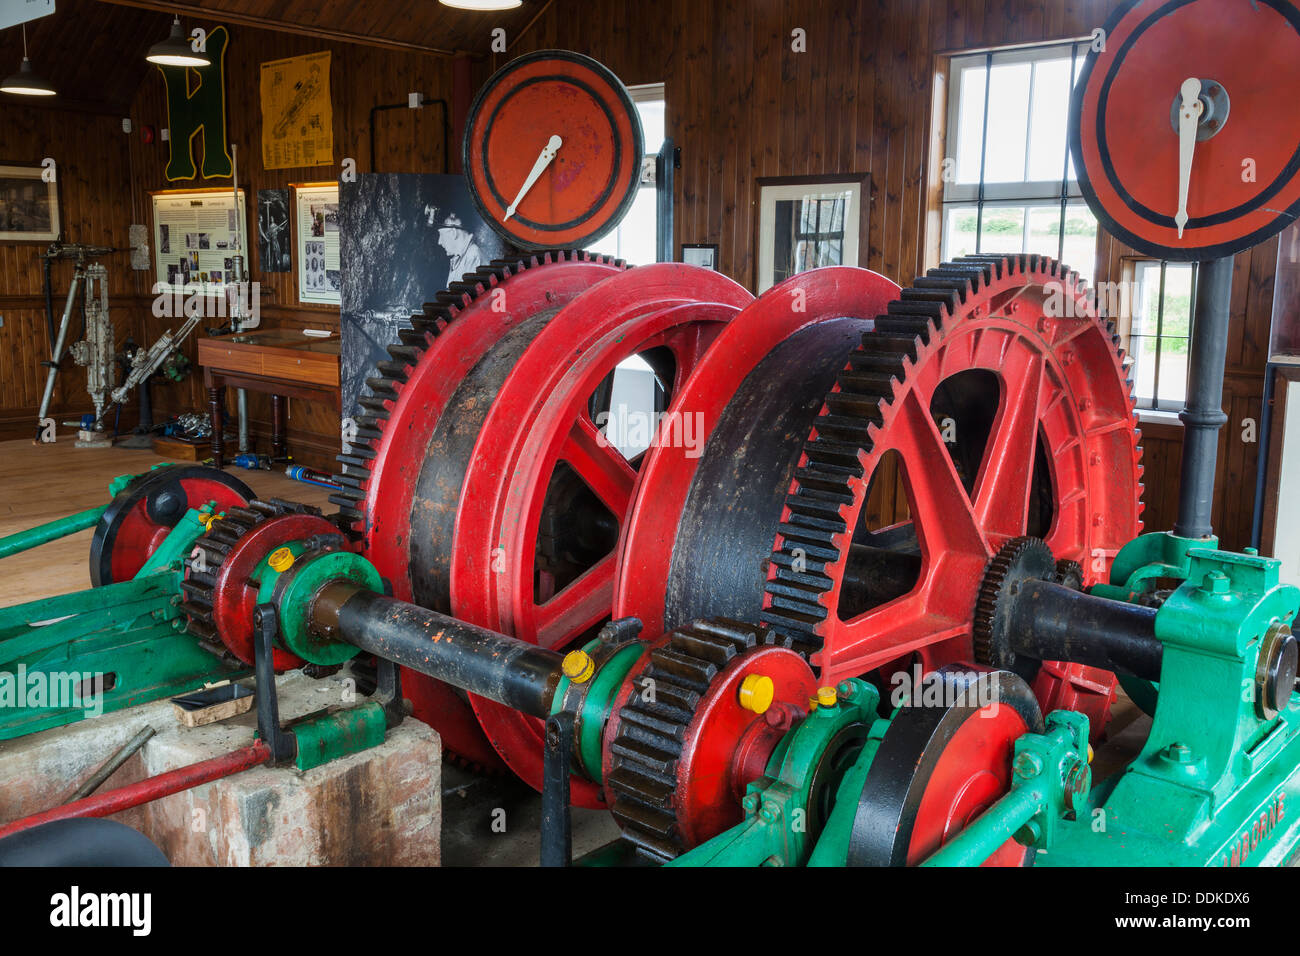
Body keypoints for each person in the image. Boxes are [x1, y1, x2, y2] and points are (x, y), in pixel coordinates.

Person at [435, 212, 484, 287]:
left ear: (453, 233)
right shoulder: (458, 260)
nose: (439, 242)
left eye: (441, 235)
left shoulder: (472, 256)